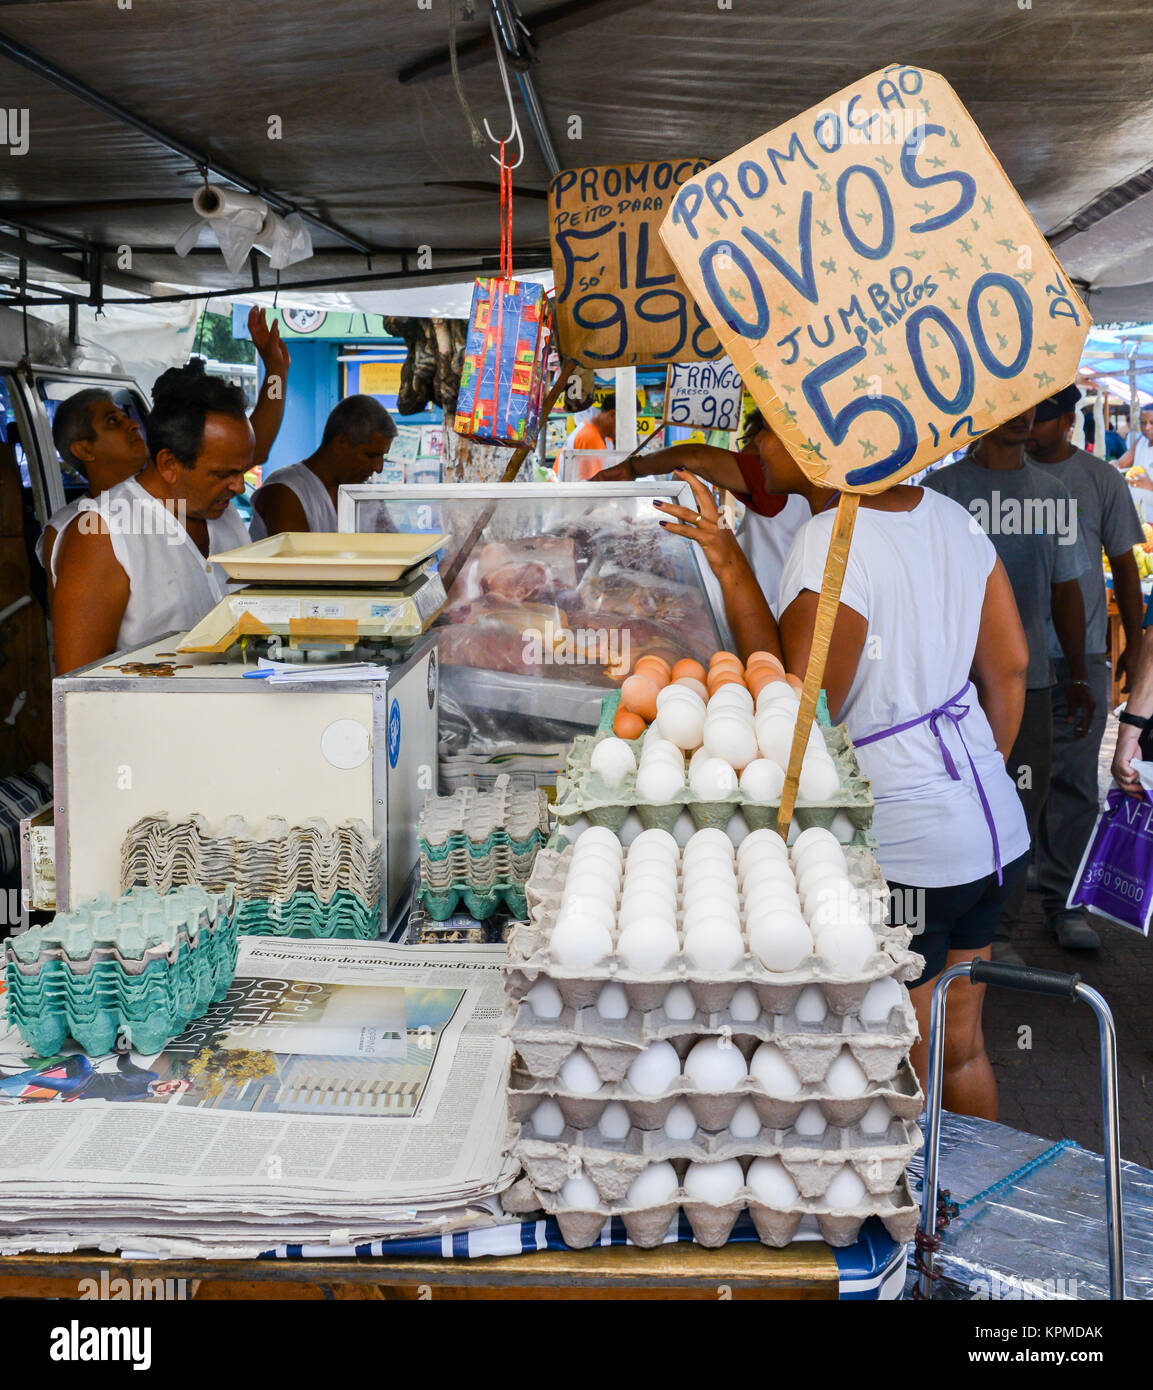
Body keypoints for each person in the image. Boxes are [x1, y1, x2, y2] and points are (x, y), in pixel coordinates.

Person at [657, 421, 1030, 1122]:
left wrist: (729, 563)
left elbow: (800, 709)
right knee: (961, 1046)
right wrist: (967, 782)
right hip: (983, 831)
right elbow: (1008, 668)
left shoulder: (832, 540)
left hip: (900, 844)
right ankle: (972, 1213)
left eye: (763, 431)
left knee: (893, 1046)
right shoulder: (952, 518)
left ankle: (914, 1212)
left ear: (813, 441)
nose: (753, 450)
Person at [924, 408, 1091, 960]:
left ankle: (1000, 931)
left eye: (1035, 411)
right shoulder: (940, 490)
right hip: (949, 683)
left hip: (1034, 680)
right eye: (1010, 409)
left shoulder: (1052, 492)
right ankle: (941, 921)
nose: (1024, 419)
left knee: (1020, 798)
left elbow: (1067, 591)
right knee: (948, 794)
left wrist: (1079, 674)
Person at [39, 307, 289, 588]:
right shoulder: (78, 528)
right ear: (84, 450)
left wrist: (276, 370)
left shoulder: (199, 487)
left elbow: (257, 447)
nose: (132, 425)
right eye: (113, 421)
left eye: (126, 416)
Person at [1025, 385, 1146, 950]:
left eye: (1043, 417)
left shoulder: (1101, 479)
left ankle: (1066, 903)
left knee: (1075, 780)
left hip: (1085, 655)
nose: (1030, 424)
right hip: (1011, 661)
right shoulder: (999, 477)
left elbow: (1124, 566)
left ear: (1068, 421)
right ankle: (1007, 898)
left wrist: (1133, 645)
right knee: (1012, 779)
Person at [51, 375, 253, 674]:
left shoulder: (226, 515)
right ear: (170, 465)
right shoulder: (104, 534)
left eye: (243, 471)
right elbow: (79, 687)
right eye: (222, 474)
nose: (239, 487)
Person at [591, 409, 811, 616]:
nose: (743, 451)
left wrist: (632, 468)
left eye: (753, 439)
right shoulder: (806, 489)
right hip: (776, 608)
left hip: (764, 611)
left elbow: (696, 456)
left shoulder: (774, 481)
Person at [249, 394, 396, 539]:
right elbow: (298, 561)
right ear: (341, 443)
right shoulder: (285, 493)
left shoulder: (367, 494)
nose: (378, 468)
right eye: (370, 456)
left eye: (382, 457)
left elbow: (396, 550)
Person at [0, 1053, 192, 1103]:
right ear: (174, 1079)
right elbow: (126, 1067)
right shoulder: (151, 1075)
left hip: (78, 1085)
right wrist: (124, 1050)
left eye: (175, 1091)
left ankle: (5, 1081)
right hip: (90, 1075)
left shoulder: (143, 1093)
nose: (171, 1089)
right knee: (78, 1058)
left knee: (35, 1080)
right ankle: (33, 1067)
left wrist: (147, 1093)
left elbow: (114, 1098)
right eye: (176, 1085)